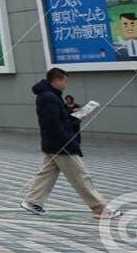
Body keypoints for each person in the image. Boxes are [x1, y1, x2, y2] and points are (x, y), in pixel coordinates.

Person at [21, 67, 108, 218]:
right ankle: (100, 208)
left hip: (53, 143)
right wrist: (67, 139)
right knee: (81, 176)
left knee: (46, 173)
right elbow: (52, 122)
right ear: (57, 80)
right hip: (61, 144)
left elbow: (58, 118)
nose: (66, 85)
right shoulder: (49, 97)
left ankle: (33, 202)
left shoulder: (50, 95)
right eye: (65, 81)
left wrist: (74, 115)